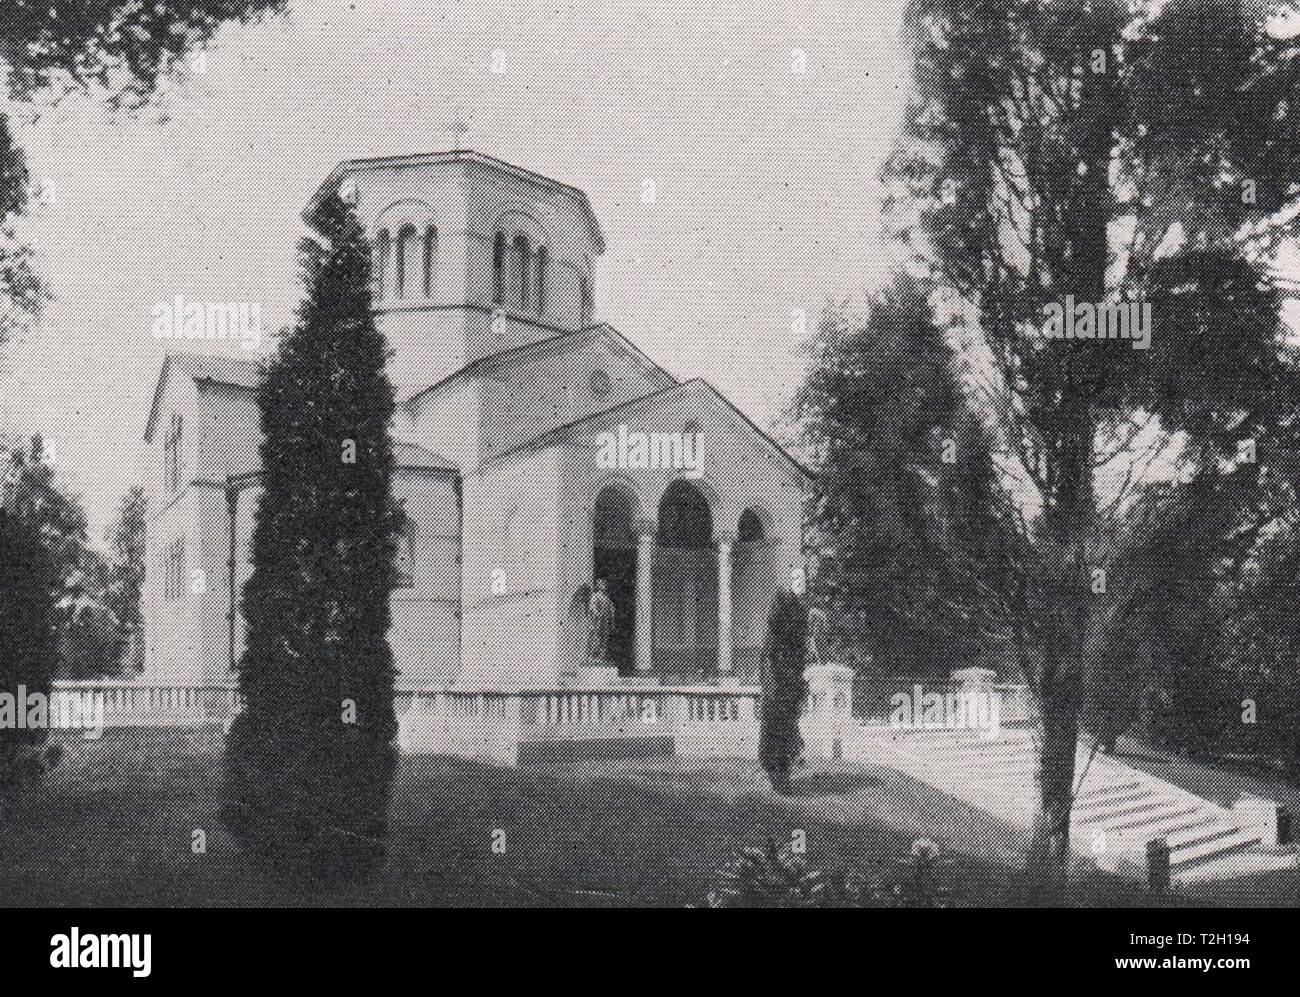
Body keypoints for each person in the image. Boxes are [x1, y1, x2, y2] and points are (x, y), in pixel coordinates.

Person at [585, 578, 616, 667]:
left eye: (604, 585)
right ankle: (591, 656)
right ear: (598, 586)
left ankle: (601, 657)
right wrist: (598, 613)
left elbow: (611, 607)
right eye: (601, 584)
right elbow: (592, 607)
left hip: (604, 621)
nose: (603, 586)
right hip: (596, 621)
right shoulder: (595, 596)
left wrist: (611, 611)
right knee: (595, 638)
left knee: (604, 639)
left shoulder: (605, 597)